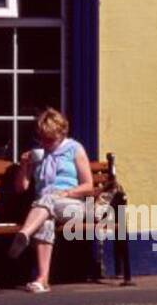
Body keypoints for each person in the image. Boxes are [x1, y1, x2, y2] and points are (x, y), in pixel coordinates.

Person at [6, 108, 94, 294]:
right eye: (42, 138)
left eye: (50, 139)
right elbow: (21, 188)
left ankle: (24, 233)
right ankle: (42, 279)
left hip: (73, 205)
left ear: (62, 134)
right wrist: (24, 167)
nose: (46, 143)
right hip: (44, 208)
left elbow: (88, 186)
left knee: (47, 198)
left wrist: (66, 193)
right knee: (45, 221)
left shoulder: (74, 149)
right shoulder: (37, 155)